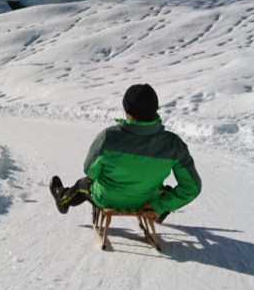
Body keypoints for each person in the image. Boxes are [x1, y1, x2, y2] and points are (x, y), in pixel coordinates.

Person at [50, 83, 201, 223]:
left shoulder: (108, 138)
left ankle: (62, 199)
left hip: (106, 198)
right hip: (147, 200)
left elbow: (90, 172)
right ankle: (159, 212)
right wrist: (160, 205)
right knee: (160, 187)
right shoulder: (173, 144)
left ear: (126, 108)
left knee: (82, 184)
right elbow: (191, 187)